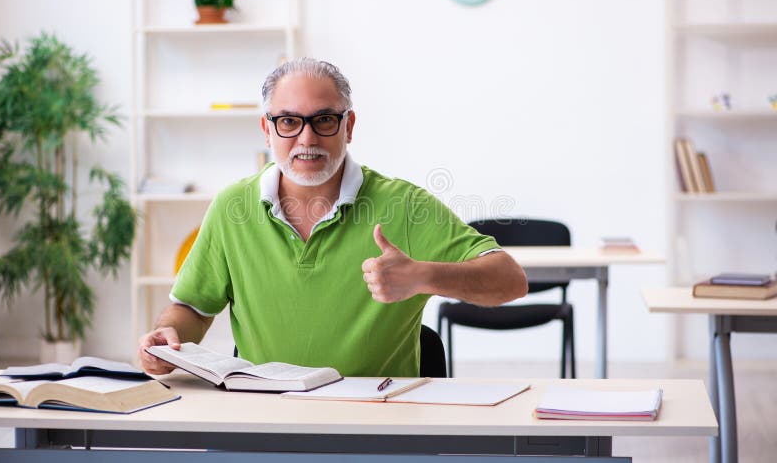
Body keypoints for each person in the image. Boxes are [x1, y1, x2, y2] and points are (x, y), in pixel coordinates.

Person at [138, 58, 528, 377]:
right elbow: (192, 307)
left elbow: (510, 280)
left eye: (323, 120)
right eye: (289, 121)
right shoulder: (232, 206)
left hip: (376, 428)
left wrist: (425, 276)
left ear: (349, 126)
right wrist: (169, 335)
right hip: (264, 424)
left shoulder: (404, 205)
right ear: (267, 130)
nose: (306, 139)